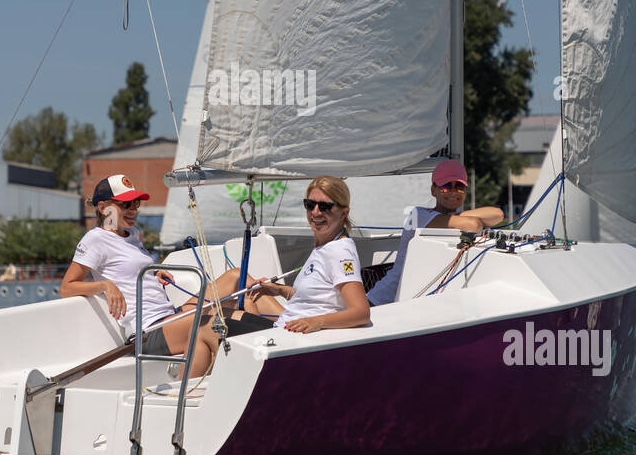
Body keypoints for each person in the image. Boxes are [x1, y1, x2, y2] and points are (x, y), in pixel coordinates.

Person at [60, 174, 243, 377]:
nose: (134, 210)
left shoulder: (133, 234)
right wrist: (105, 286)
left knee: (238, 287)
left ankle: (281, 326)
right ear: (104, 208)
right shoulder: (95, 239)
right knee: (214, 321)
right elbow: (67, 287)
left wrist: (154, 272)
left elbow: (130, 267)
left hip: (167, 316)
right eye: (126, 204)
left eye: (136, 203)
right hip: (148, 330)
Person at [225, 175, 371, 337]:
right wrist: (279, 289)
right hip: (284, 325)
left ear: (344, 213)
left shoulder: (339, 251)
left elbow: (361, 312)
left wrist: (316, 322)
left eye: (325, 207)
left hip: (287, 335)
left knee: (206, 325)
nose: (315, 212)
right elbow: (316, 298)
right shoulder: (325, 246)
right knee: (227, 301)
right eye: (310, 205)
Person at [365, 159, 505, 306]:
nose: (452, 192)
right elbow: (473, 224)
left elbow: (498, 215)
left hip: (411, 299)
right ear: (433, 190)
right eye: (446, 186)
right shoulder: (418, 215)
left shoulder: (455, 220)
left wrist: (459, 215)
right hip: (382, 301)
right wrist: (467, 217)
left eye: (459, 187)